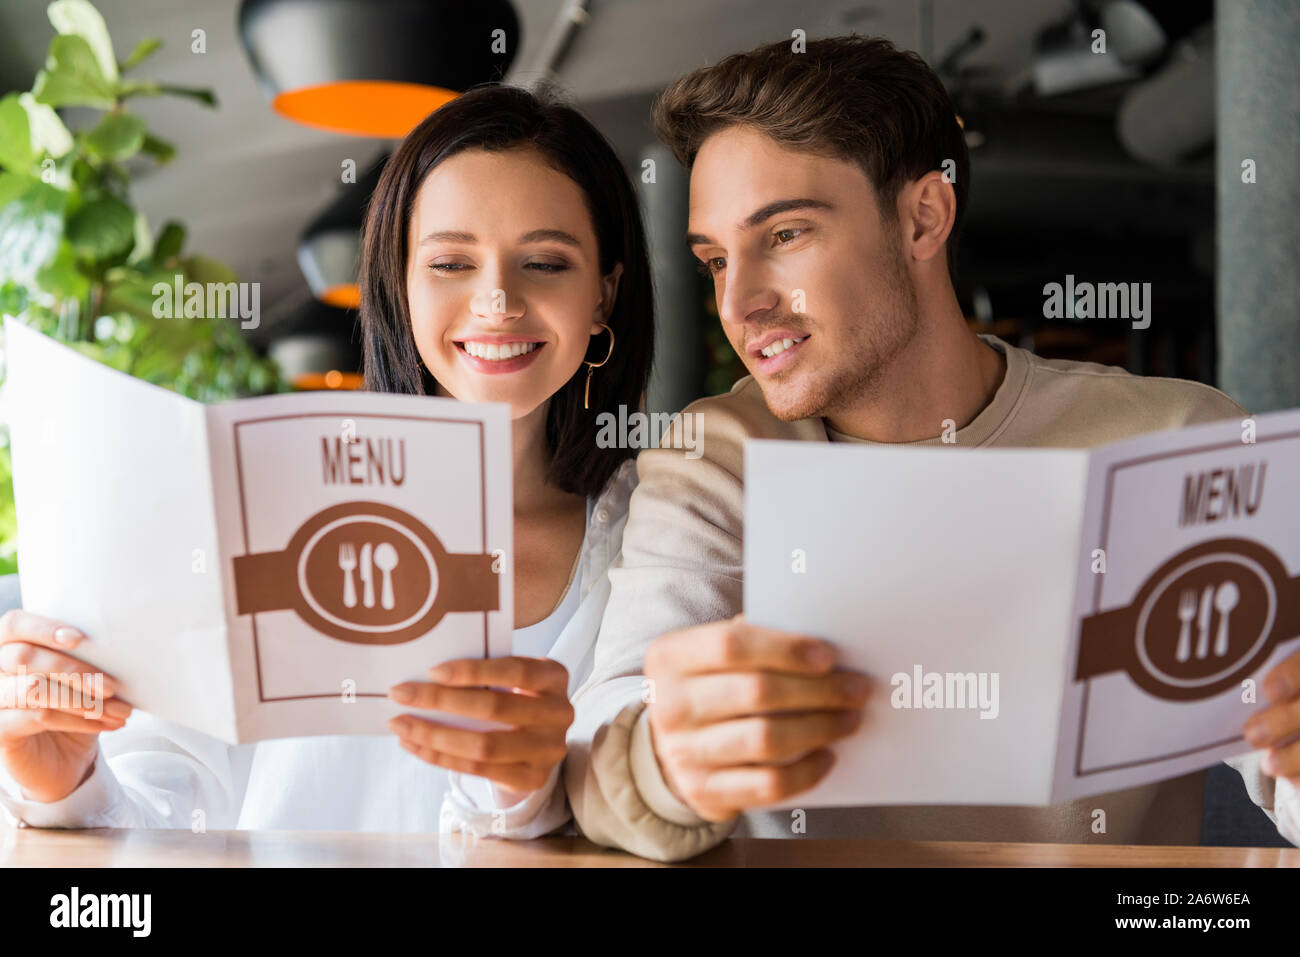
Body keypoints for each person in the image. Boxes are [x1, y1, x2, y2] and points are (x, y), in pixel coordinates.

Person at [562, 35, 1300, 861]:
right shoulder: (716, 457)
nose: (740, 302)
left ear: (923, 217)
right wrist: (668, 765)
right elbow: (602, 748)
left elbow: (1277, 744)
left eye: (786, 235)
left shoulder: (1173, 441)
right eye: (715, 260)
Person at [0, 83, 654, 837]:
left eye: (543, 261)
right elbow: (168, 797)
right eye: (450, 263)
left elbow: (661, 814)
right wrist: (66, 783)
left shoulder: (655, 538)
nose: (497, 299)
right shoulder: (268, 507)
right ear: (400, 287)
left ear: (604, 292)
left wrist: (524, 795)